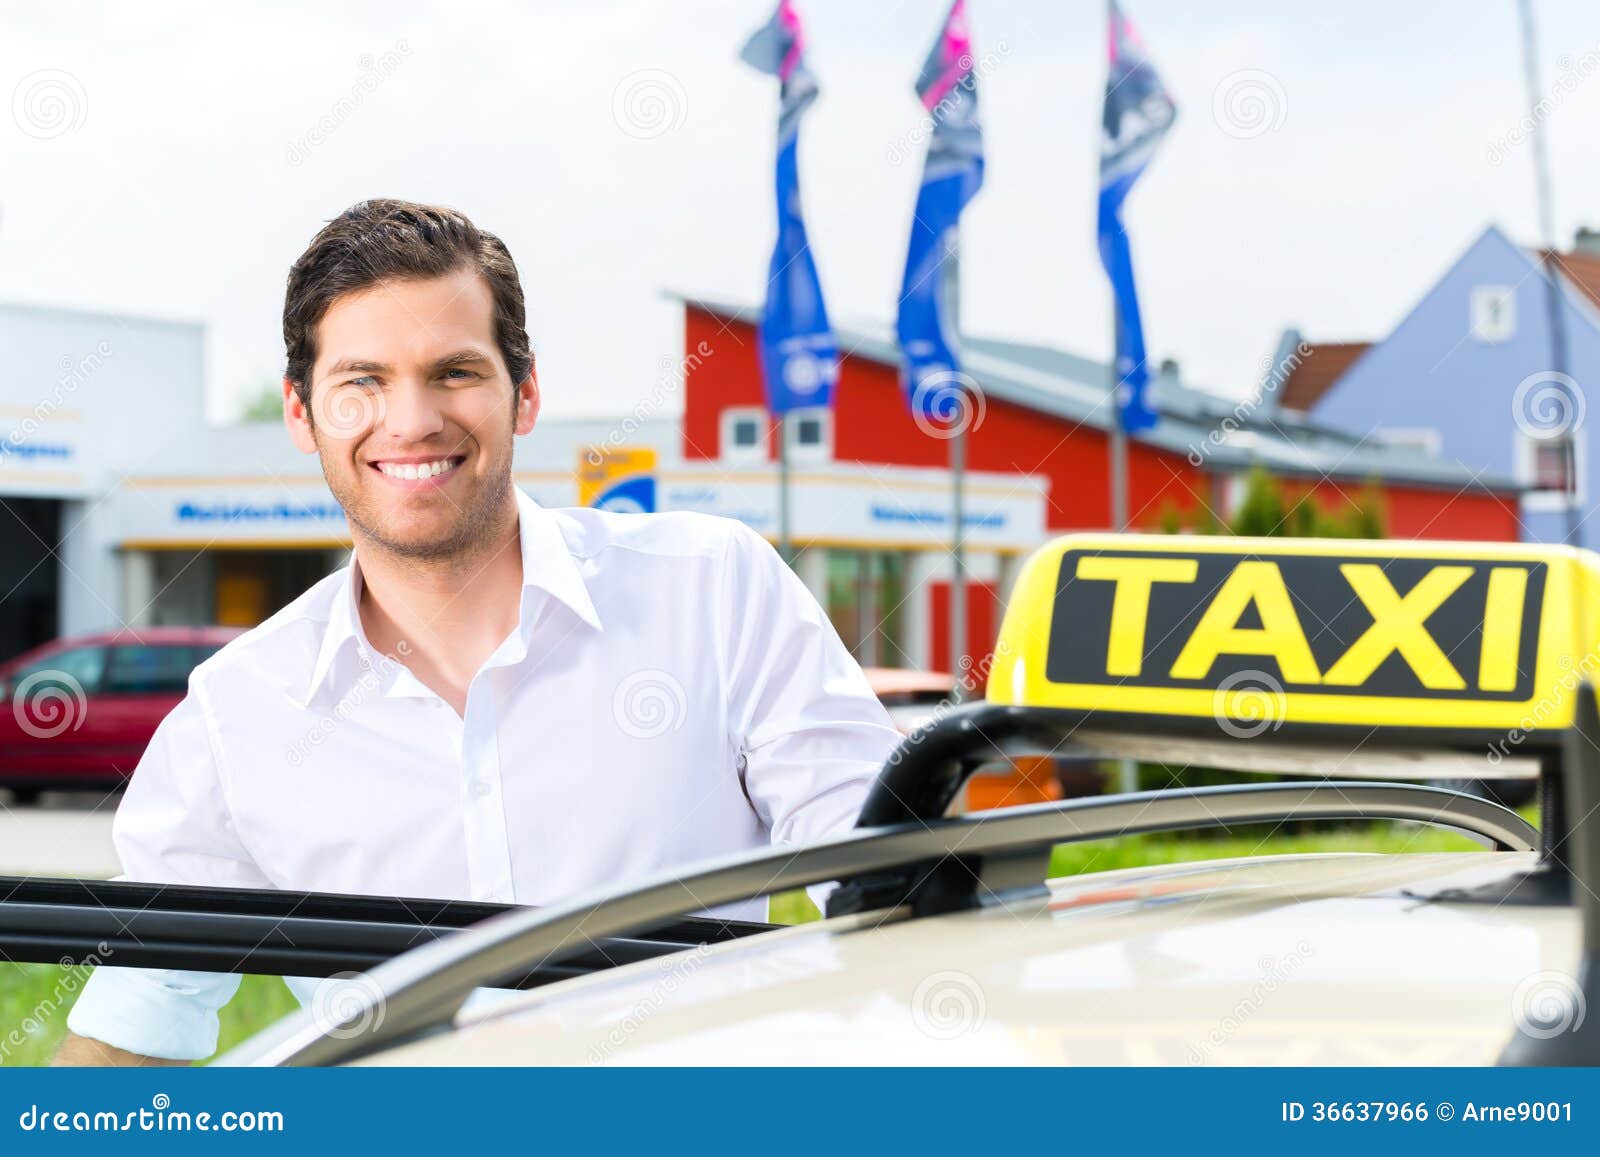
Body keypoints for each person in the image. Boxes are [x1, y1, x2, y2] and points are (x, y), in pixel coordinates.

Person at [53, 199, 900, 1065]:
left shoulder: (715, 589)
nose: (412, 420)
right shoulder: (238, 711)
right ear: (302, 415)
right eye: (362, 382)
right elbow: (134, 1026)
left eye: (454, 371)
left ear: (523, 393)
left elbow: (892, 887)